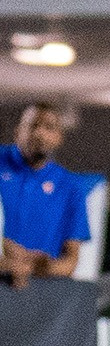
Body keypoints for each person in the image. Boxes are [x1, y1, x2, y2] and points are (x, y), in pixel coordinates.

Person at [0, 100, 91, 288]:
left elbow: (71, 262)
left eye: (49, 127)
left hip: (41, 291)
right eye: (33, 126)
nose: (40, 133)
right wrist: (8, 261)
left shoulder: (70, 187)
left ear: (59, 137)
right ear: (17, 132)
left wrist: (37, 266)